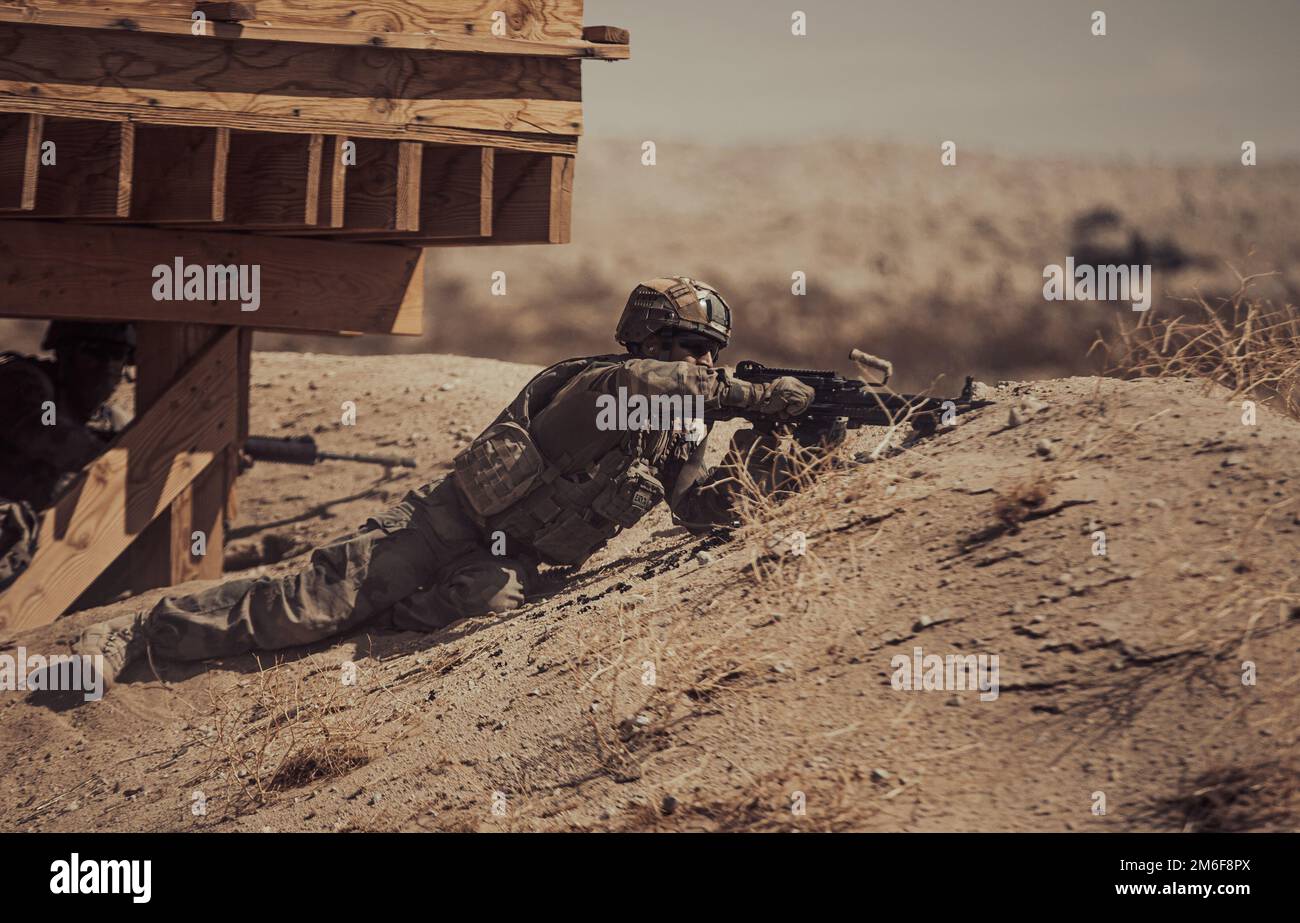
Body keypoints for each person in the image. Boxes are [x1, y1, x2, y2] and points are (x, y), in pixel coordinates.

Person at [74, 278, 839, 689]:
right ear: (646, 342)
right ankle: (143, 632)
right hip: (434, 530)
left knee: (478, 598)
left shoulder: (679, 427)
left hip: (511, 565)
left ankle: (394, 616)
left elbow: (694, 506)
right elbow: (648, 382)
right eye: (686, 347)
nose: (701, 365)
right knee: (303, 610)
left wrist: (774, 464)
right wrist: (753, 395)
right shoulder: (599, 386)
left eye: (710, 353)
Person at [0, 322, 134, 591]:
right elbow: (48, 434)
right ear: (64, 354)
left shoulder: (107, 418)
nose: (106, 365)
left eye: (117, 354)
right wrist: (129, 456)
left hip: (40, 552)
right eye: (93, 351)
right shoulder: (24, 381)